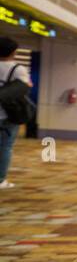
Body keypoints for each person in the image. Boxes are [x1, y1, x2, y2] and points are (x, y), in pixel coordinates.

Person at [0, 37, 32, 189]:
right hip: (9, 114)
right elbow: (25, 87)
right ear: (13, 52)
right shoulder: (17, 69)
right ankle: (0, 180)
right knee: (6, 147)